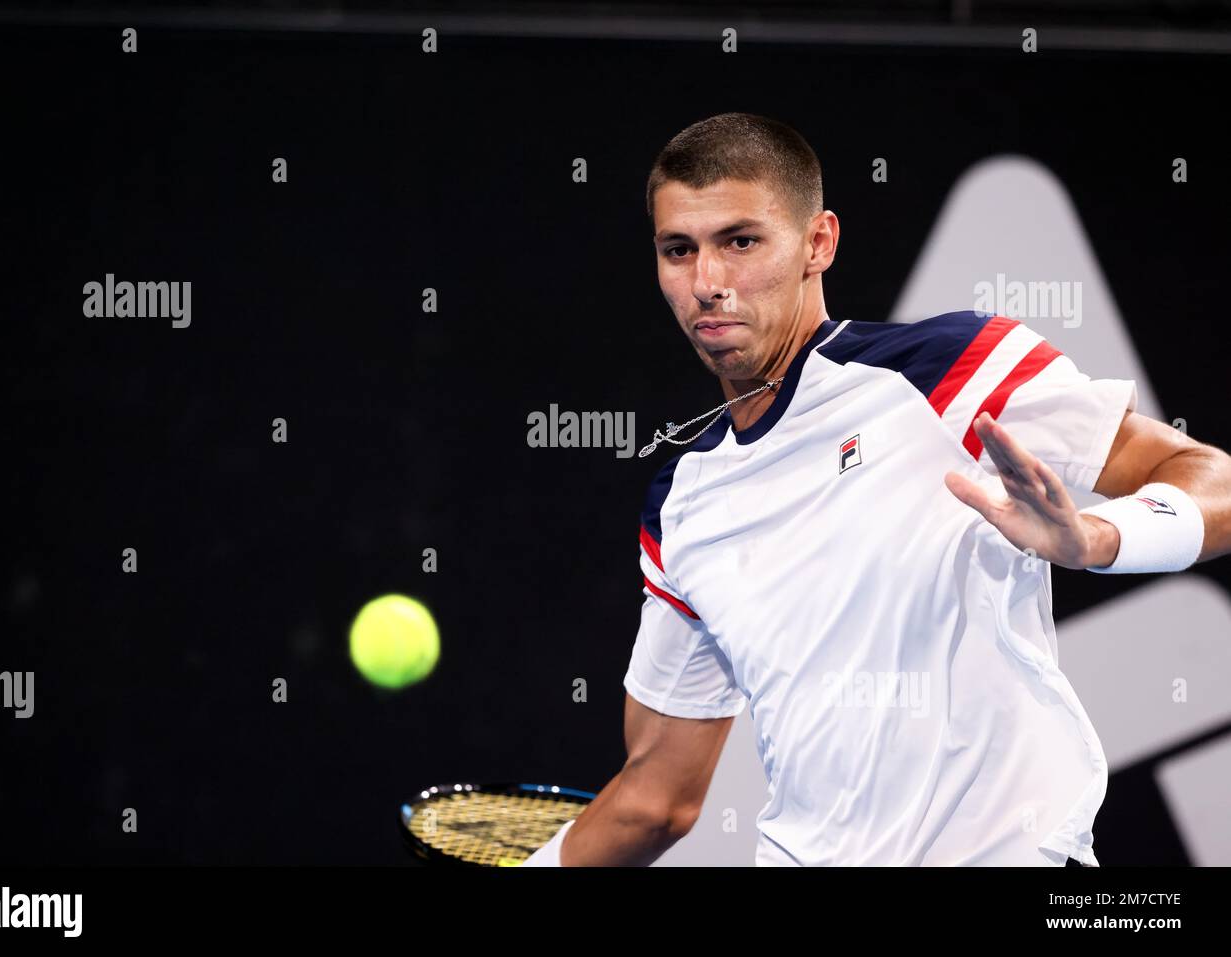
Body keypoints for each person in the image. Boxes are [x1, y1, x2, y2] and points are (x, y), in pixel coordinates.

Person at [523, 113, 1231, 866]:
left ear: (817, 243)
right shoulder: (683, 505)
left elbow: (1214, 481)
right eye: (678, 250)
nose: (708, 284)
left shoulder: (947, 368)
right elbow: (655, 797)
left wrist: (1097, 539)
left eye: (740, 241)